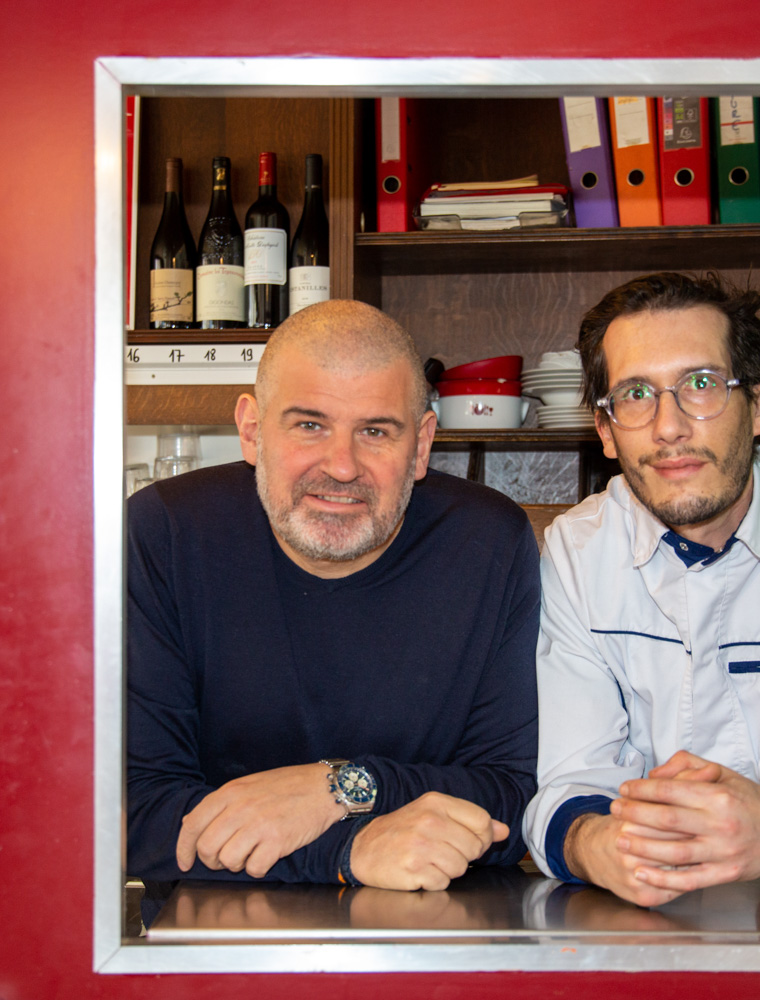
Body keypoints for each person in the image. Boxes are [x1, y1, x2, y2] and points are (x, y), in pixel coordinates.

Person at [127, 299, 540, 891]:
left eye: (375, 431)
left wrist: (343, 787)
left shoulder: (488, 542)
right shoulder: (163, 532)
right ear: (251, 430)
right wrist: (347, 851)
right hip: (211, 942)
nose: (342, 466)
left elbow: (516, 800)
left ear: (422, 445)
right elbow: (133, 812)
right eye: (309, 425)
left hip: (432, 935)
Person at [523, 271, 760, 908]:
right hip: (638, 924)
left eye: (700, 384)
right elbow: (569, 779)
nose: (668, 426)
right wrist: (597, 845)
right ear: (607, 430)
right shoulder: (578, 551)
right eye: (637, 394)